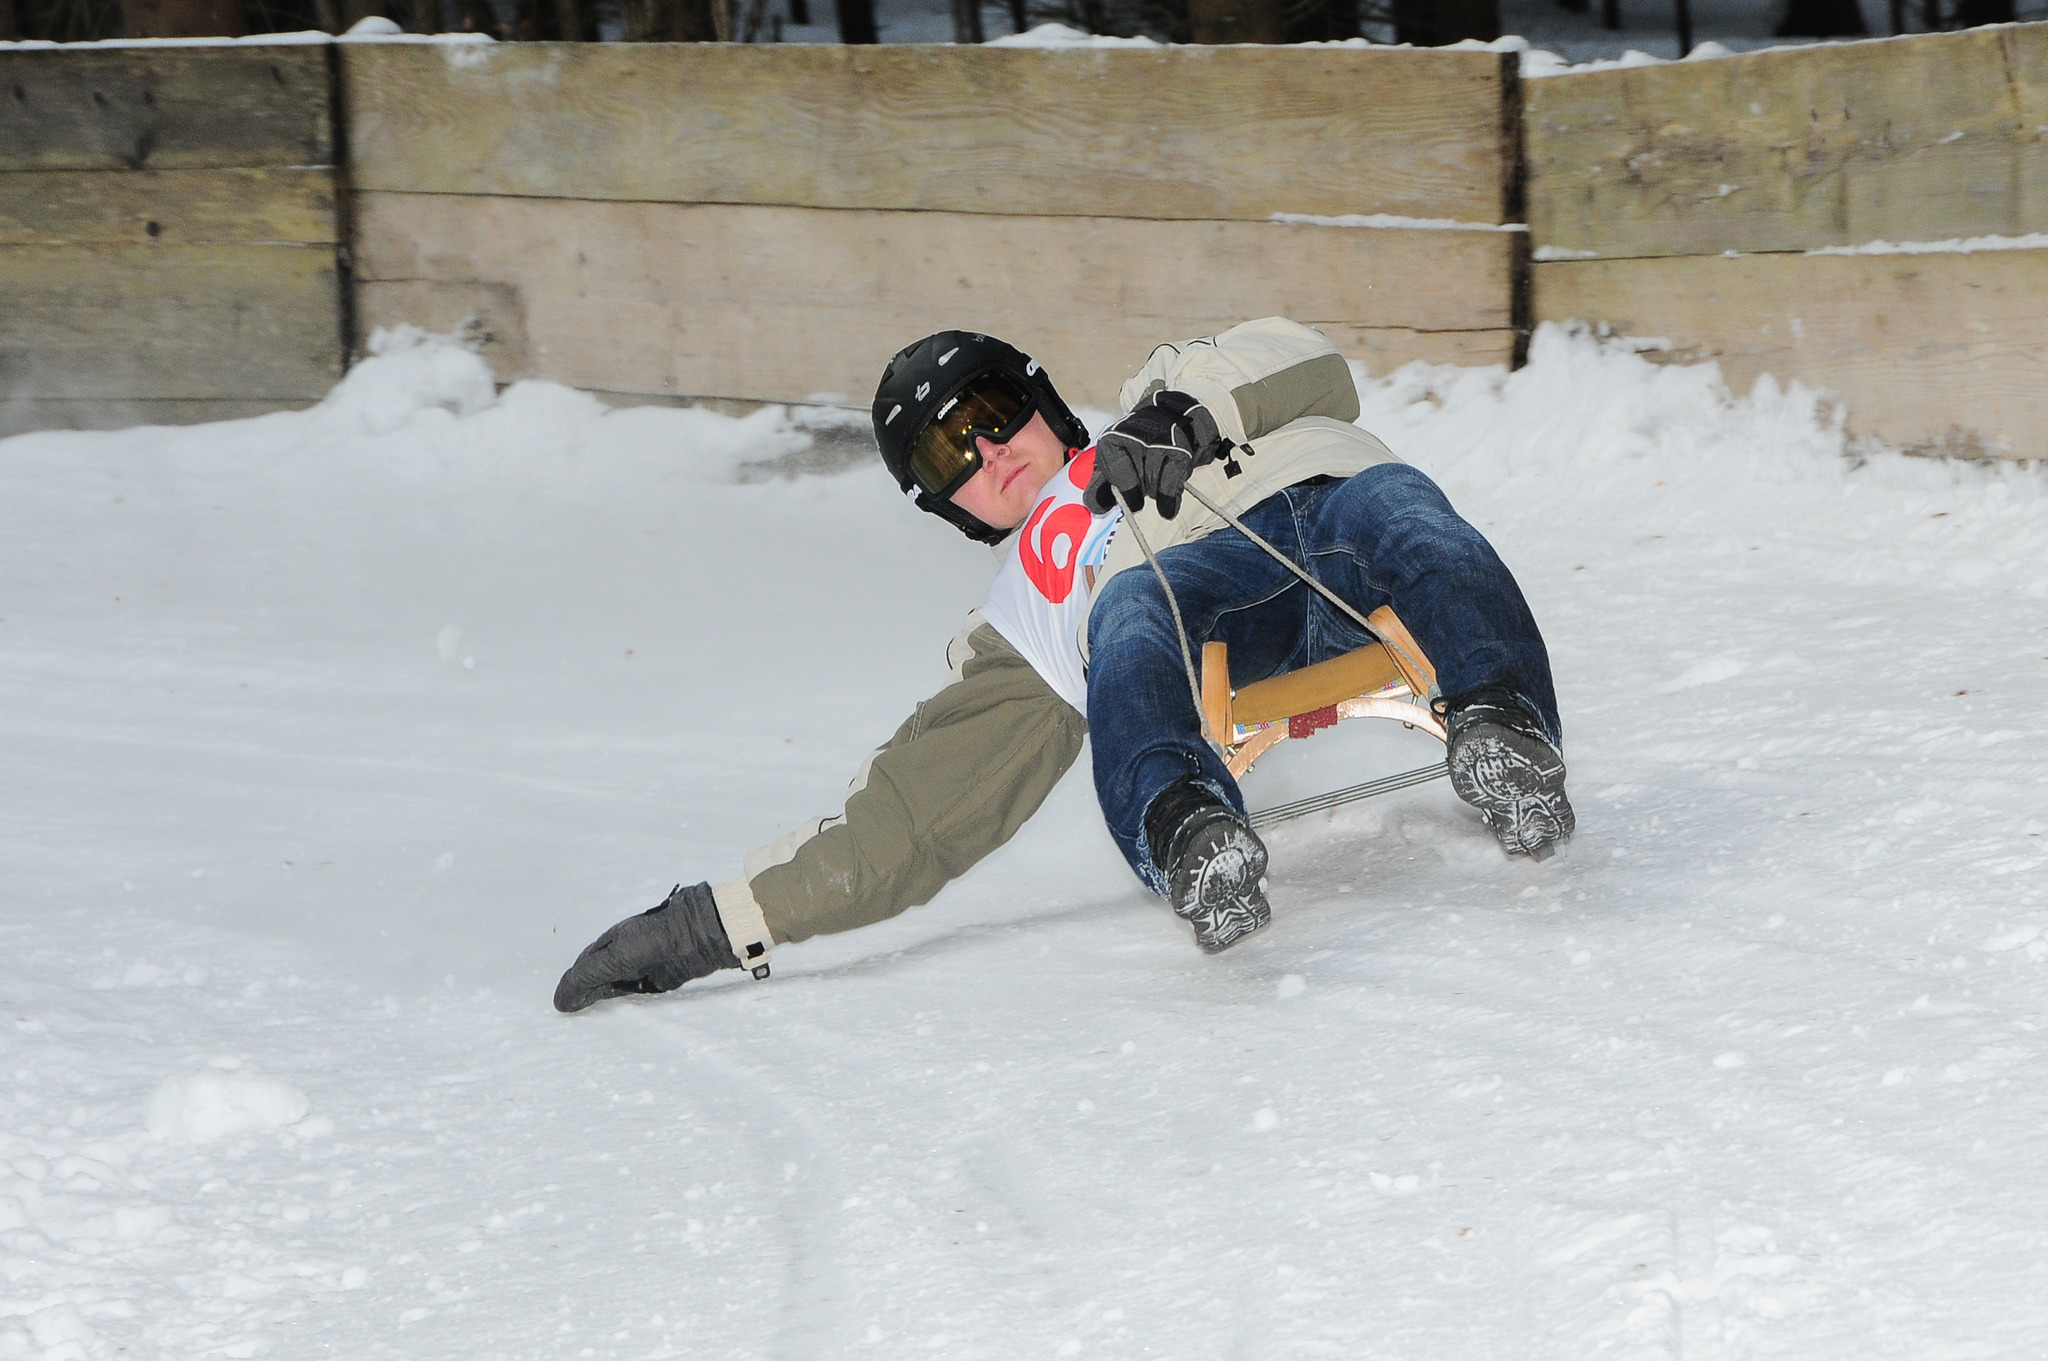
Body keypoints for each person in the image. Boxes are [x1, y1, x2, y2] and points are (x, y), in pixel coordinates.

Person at [554, 318, 1573, 1012]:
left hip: (1336, 522)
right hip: (1199, 607)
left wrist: (1184, 413)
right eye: (949, 459)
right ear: (950, 510)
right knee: (1123, 612)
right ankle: (1185, 831)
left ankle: (1503, 727)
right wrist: (706, 927)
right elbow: (911, 818)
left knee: (1401, 508)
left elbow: (1308, 361)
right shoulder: (1022, 613)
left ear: (1041, 398)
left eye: (990, 411)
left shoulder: (1166, 389)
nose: (989, 453)